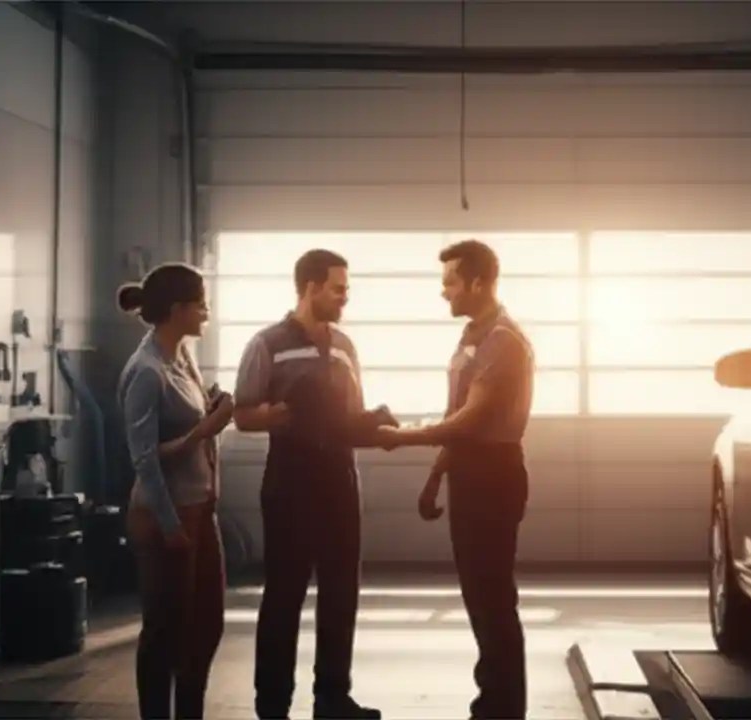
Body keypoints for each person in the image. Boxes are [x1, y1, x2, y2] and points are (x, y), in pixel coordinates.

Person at [376, 239, 535, 720]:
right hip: (469, 473)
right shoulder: (472, 335)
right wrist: (435, 476)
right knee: (479, 597)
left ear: (479, 282)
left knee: (492, 598)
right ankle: (492, 701)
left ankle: (503, 709)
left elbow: (471, 419)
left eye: (450, 281)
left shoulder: (503, 340)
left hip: (493, 476)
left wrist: (402, 438)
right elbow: (458, 415)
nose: (444, 291)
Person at [233, 249, 393, 720]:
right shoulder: (266, 344)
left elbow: (351, 414)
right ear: (310, 288)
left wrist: (375, 425)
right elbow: (242, 415)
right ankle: (273, 704)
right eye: (338, 288)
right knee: (285, 593)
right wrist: (285, 414)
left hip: (341, 478)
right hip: (290, 480)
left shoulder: (345, 345)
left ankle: (332, 699)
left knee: (343, 591)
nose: (346, 297)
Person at [116, 262, 233, 720]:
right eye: (200, 303)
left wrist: (212, 407)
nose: (206, 312)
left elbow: (193, 422)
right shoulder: (146, 371)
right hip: (165, 515)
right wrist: (204, 430)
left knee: (206, 627)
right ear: (179, 309)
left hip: (200, 510)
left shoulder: (180, 356)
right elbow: (143, 458)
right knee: (164, 632)